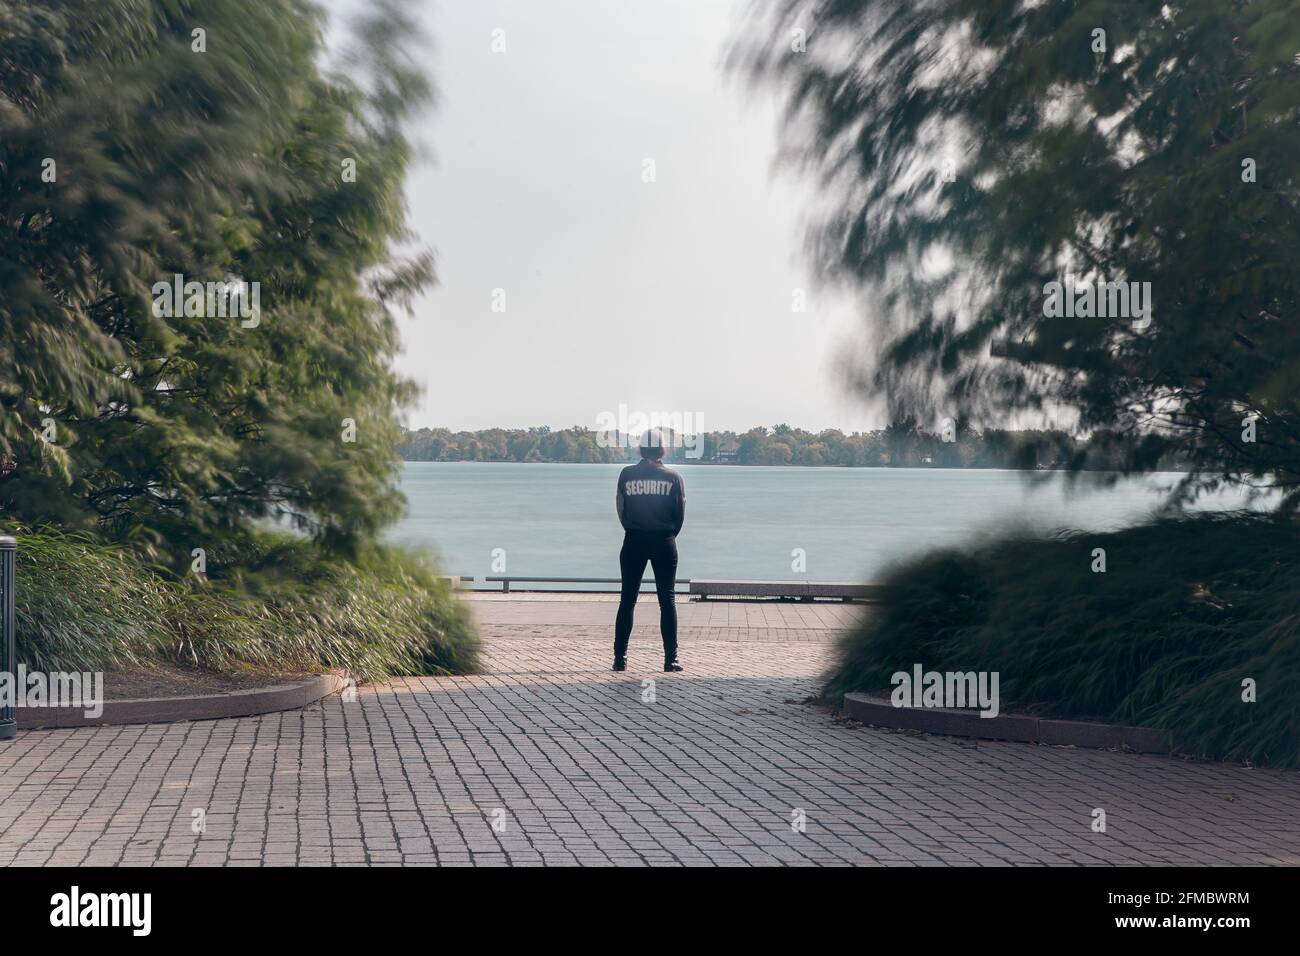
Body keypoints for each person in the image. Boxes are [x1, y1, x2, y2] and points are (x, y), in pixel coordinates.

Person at [613, 428, 685, 672]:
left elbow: (620, 508)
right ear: (662, 449)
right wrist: (667, 534)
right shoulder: (673, 477)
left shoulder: (626, 474)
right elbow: (679, 515)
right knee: (668, 600)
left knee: (627, 600)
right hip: (664, 541)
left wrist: (634, 528)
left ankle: (620, 658)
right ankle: (670, 659)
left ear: (641, 449)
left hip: (633, 540)